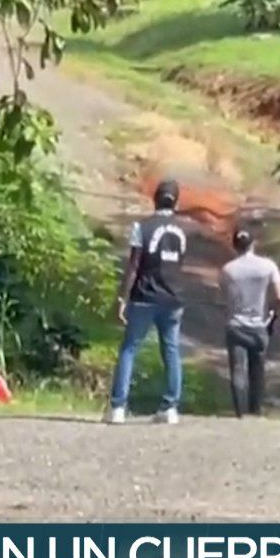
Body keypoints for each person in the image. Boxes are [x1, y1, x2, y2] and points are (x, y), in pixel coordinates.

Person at [106, 179, 188, 425]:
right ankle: (170, 407)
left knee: (129, 348)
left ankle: (118, 407)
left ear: (155, 199)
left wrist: (123, 296)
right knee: (171, 351)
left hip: (144, 296)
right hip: (173, 297)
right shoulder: (182, 231)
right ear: (176, 202)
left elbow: (134, 265)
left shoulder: (141, 227)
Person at [219, 227, 280, 418]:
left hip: (236, 324)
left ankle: (240, 412)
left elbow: (224, 295)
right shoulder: (268, 266)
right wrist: (270, 312)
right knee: (258, 370)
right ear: (254, 244)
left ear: (234, 246)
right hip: (258, 325)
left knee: (238, 370)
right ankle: (255, 410)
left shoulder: (227, 270)